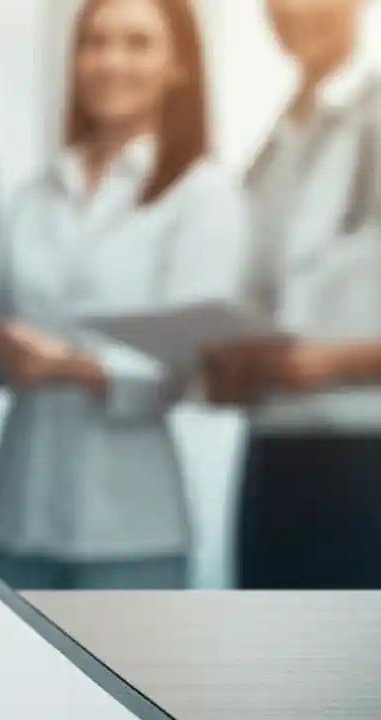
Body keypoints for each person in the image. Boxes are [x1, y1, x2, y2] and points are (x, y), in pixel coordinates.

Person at [0, 0, 251, 589]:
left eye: (137, 42)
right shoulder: (34, 193)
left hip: (128, 528)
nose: (111, 60)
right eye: (95, 42)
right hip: (18, 514)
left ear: (179, 67)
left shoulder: (204, 196)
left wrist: (67, 366)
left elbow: (188, 363)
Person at [203, 0, 381, 589]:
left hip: (361, 454)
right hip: (275, 449)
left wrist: (330, 361)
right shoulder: (277, 141)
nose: (296, 10)